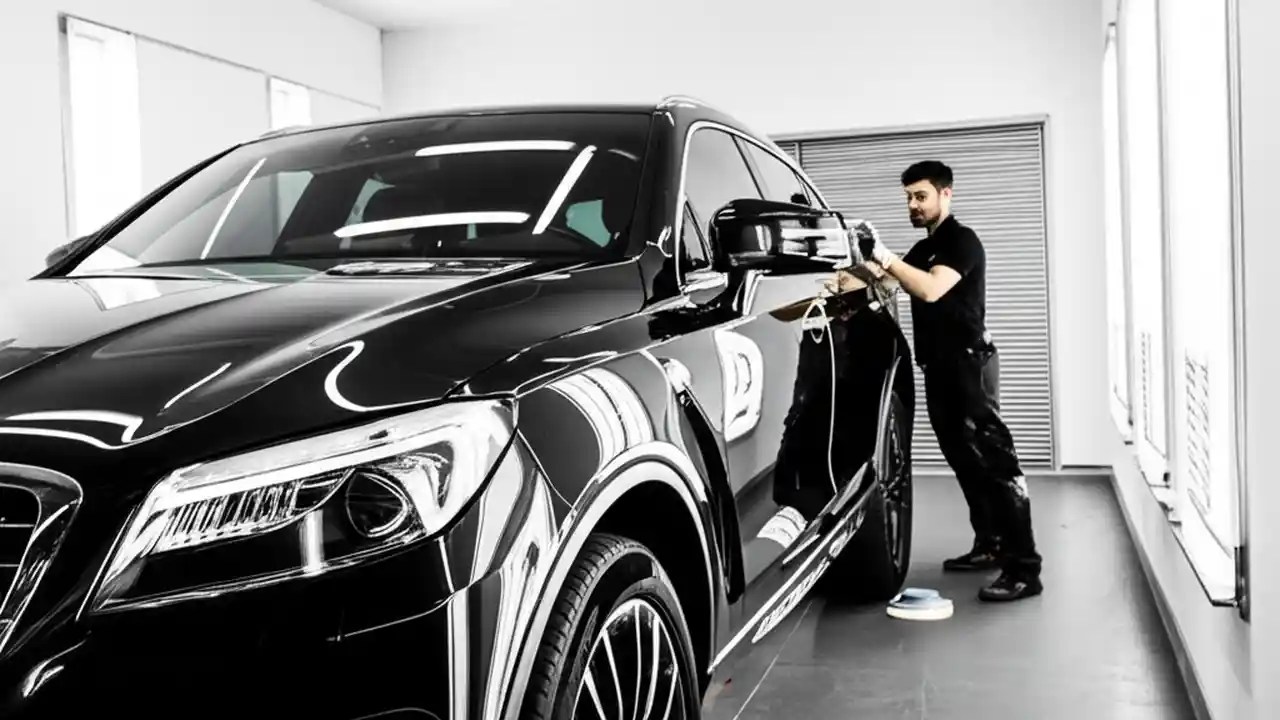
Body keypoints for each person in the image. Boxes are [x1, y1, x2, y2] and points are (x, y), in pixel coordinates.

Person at [848, 159, 1043, 602]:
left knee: (997, 466)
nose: (913, 205)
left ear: (945, 194)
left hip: (970, 367)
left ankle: (1025, 570)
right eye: (908, 198)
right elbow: (886, 280)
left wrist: (884, 255)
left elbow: (931, 289)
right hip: (938, 369)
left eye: (921, 196)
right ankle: (991, 544)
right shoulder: (923, 249)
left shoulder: (962, 242)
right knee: (966, 462)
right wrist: (853, 260)